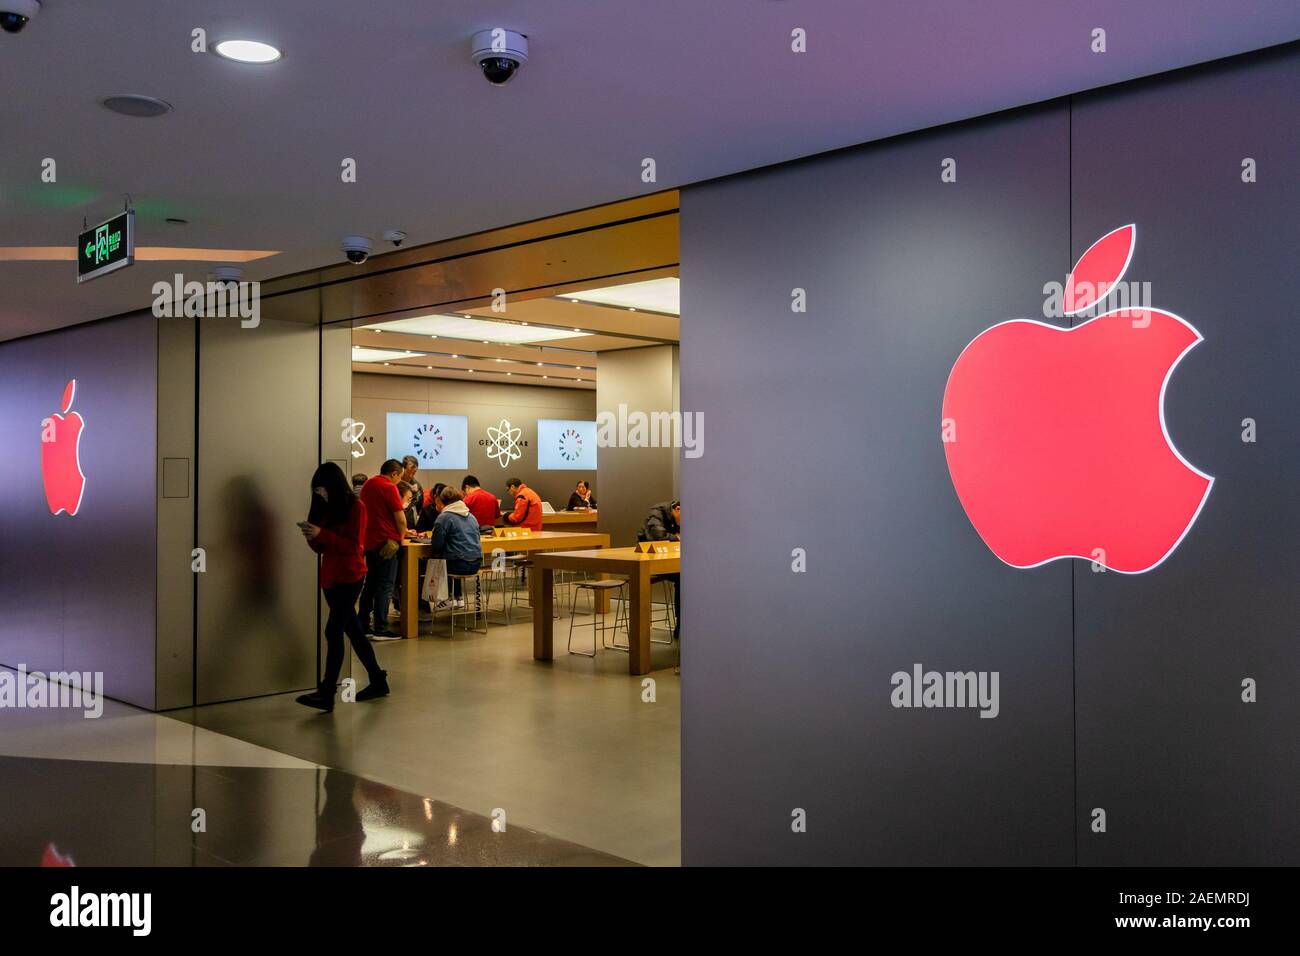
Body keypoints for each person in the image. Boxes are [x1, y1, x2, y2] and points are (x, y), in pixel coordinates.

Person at [296, 462, 389, 711]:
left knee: (333, 631)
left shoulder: (356, 507)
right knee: (353, 632)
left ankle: (327, 692)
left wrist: (322, 535)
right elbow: (323, 548)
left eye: (323, 489)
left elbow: (353, 546)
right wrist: (313, 537)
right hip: (331, 578)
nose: (320, 494)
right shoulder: (326, 510)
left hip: (350, 577)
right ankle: (378, 679)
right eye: (317, 491)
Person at [357, 459, 407, 639]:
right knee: (386, 585)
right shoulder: (389, 487)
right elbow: (400, 518)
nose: (398, 482)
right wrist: (402, 537)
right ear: (394, 473)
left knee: (370, 584)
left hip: (369, 541)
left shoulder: (368, 484)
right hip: (387, 542)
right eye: (399, 477)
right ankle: (381, 627)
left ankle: (362, 623)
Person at [428, 486, 483, 607]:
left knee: (437, 559)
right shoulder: (471, 516)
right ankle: (458, 597)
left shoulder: (444, 517)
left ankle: (446, 598)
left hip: (457, 564)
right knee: (454, 554)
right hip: (476, 564)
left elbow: (436, 545)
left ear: (442, 501)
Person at [639, 499, 681, 641]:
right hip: (649, 561)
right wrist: (677, 538)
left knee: (687, 578)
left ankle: (683, 623)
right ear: (678, 509)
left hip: (671, 561)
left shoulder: (675, 517)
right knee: (684, 579)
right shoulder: (657, 514)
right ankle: (681, 624)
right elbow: (658, 536)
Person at [399, 456, 424, 528]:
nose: (410, 476)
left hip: (411, 524)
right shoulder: (395, 484)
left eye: (414, 473)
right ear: (403, 469)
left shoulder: (418, 487)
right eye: (408, 472)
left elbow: (419, 506)